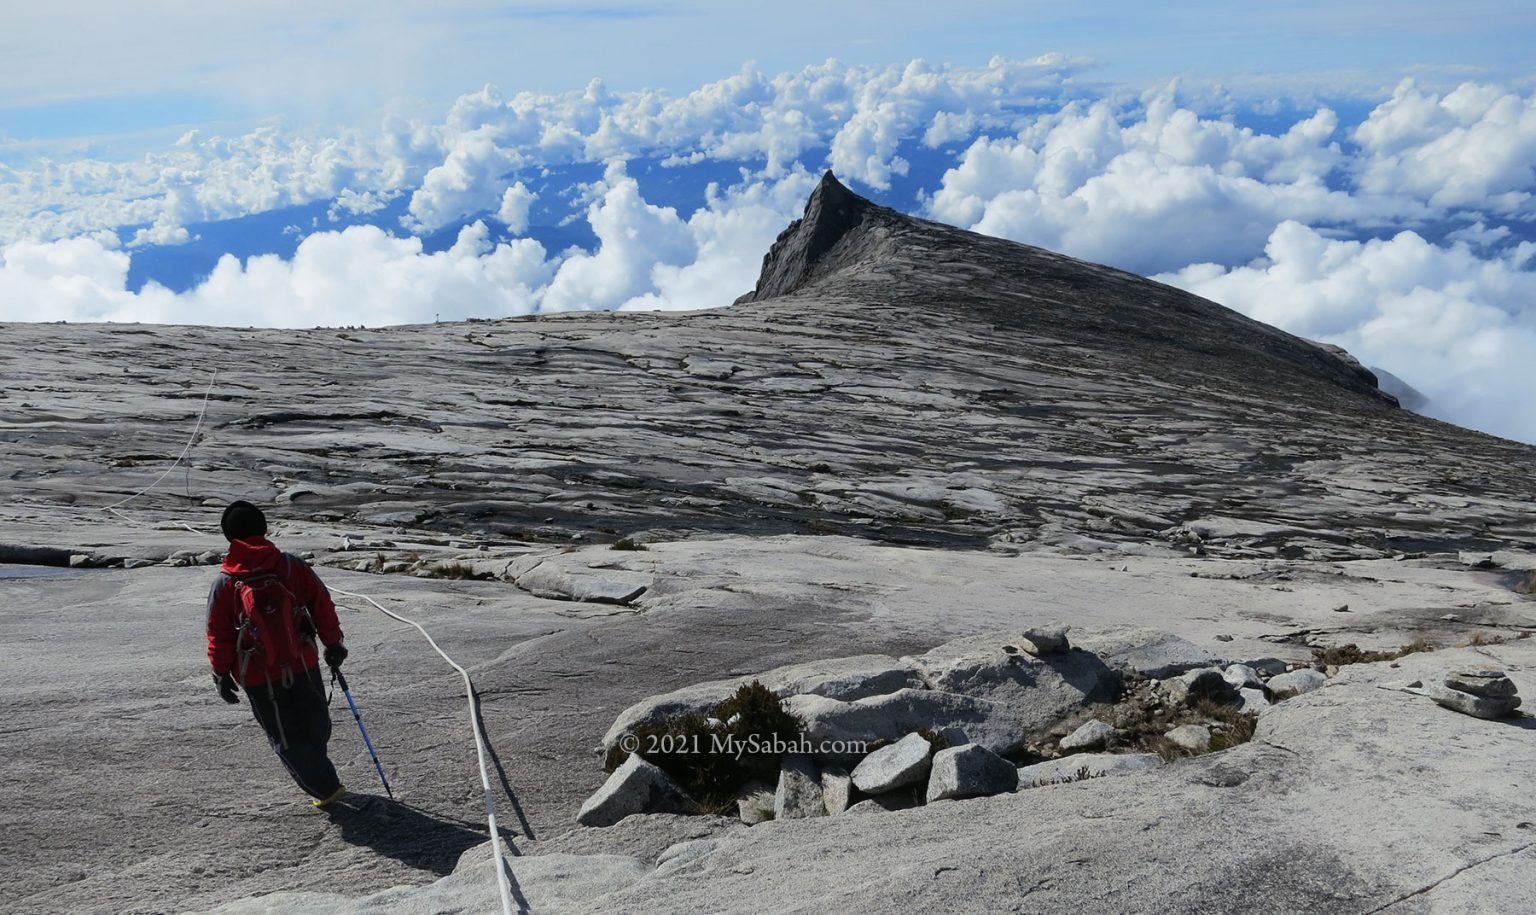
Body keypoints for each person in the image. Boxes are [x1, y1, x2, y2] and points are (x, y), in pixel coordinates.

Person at [206, 500, 350, 807]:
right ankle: (324, 779)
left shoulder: (225, 582)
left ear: (228, 537)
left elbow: (218, 632)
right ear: (264, 528)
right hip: (303, 661)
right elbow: (321, 604)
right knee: (314, 721)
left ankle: (324, 787)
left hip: (258, 674)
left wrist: (220, 673)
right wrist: (333, 643)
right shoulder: (291, 565)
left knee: (284, 735)